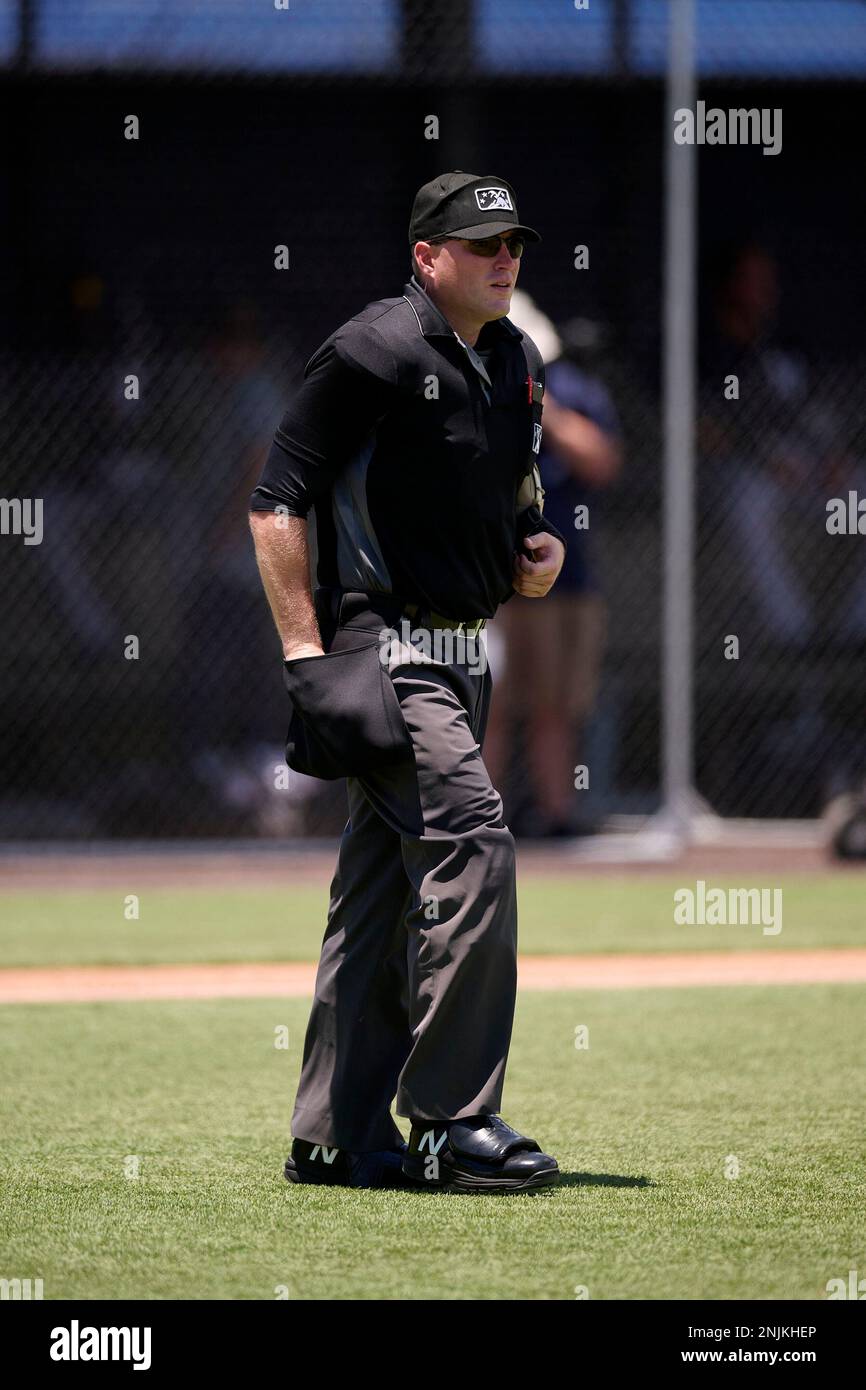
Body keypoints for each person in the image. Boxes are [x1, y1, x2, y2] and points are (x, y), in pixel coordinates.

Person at [249, 171, 568, 1193]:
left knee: (381, 890)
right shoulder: (372, 348)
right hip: (382, 647)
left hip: (467, 646)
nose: (503, 257)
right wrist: (306, 654)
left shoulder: (512, 356)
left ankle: (336, 1133)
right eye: (480, 244)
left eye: (512, 242)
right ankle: (449, 1121)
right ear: (427, 255)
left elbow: (514, 487)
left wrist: (531, 543)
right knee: (471, 840)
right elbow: (275, 499)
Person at [483, 293, 622, 836]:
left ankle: (555, 813)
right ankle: (480, 818)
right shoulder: (471, 391)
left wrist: (543, 407)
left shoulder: (571, 390)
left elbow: (604, 461)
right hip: (494, 582)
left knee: (556, 703)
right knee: (486, 701)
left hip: (565, 580)